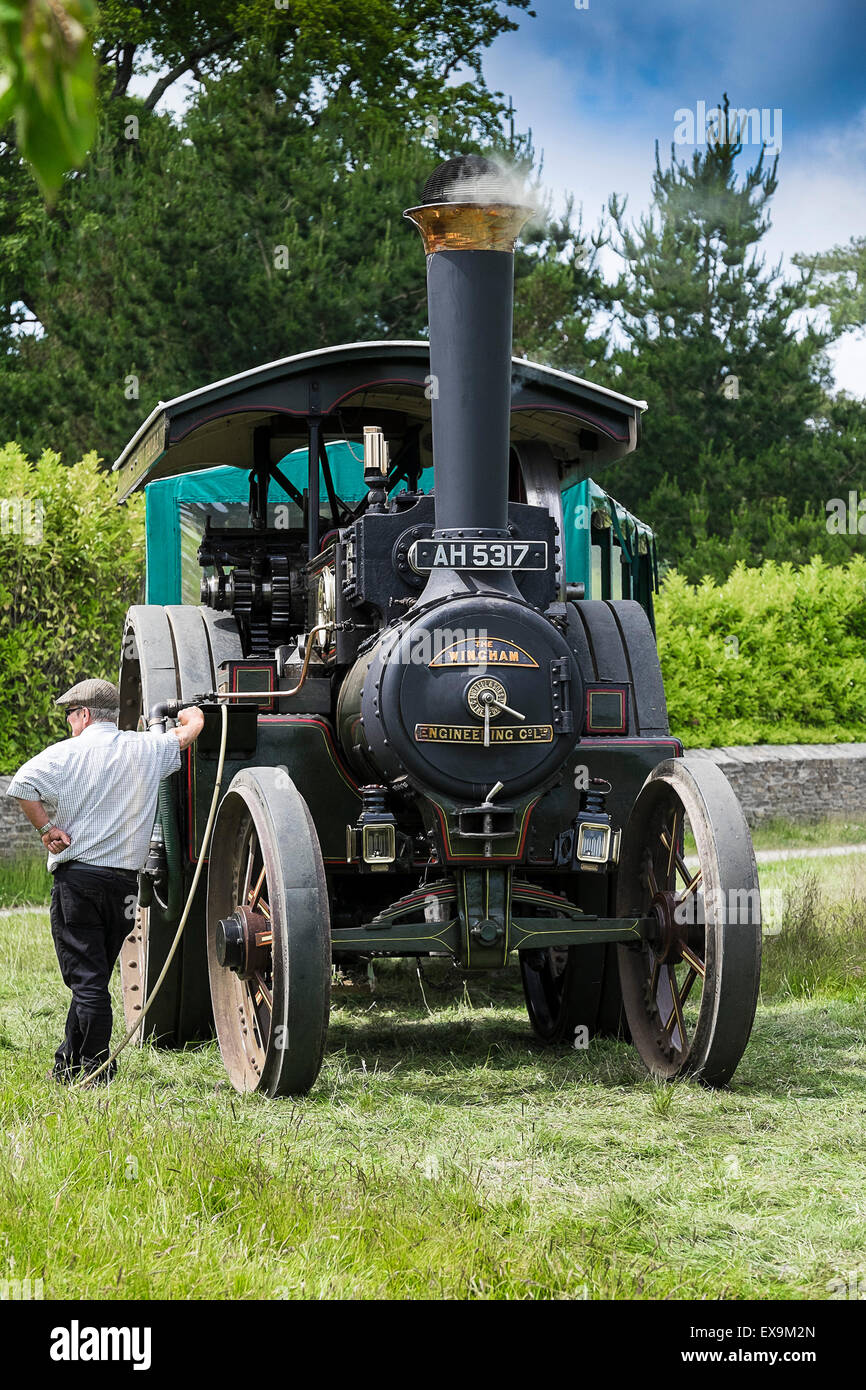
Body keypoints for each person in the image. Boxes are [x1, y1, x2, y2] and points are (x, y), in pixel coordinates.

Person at [5, 678, 204, 1085]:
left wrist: (47, 830)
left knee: (89, 982)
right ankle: (68, 1063)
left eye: (70, 718)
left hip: (78, 881)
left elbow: (22, 785)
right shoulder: (145, 748)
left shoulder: (66, 753)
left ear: (84, 715)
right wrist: (193, 714)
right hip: (124, 886)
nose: (69, 726)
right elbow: (187, 733)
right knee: (93, 975)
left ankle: (95, 1070)